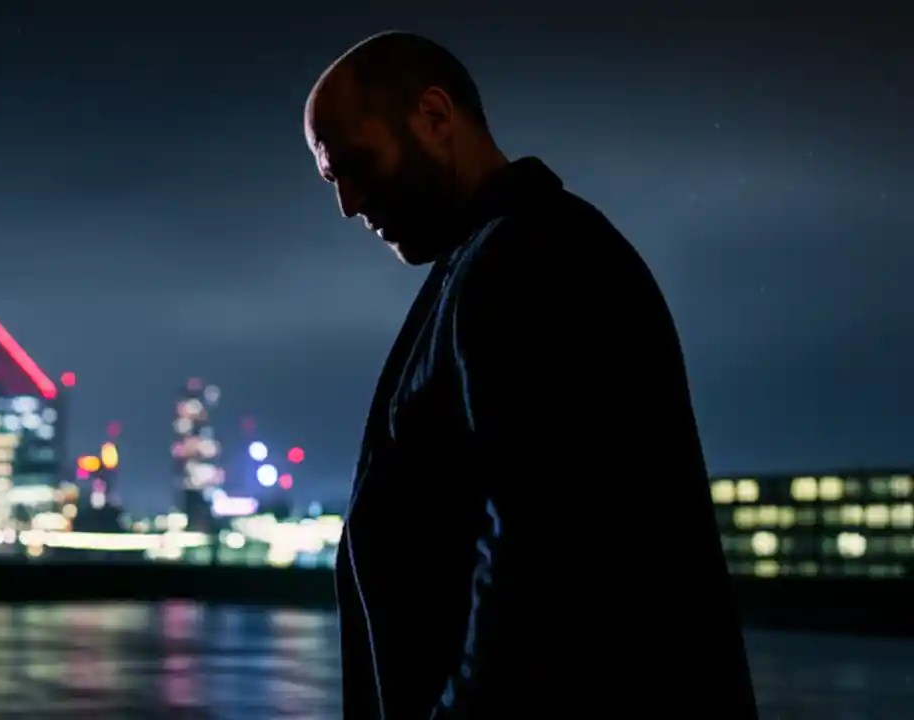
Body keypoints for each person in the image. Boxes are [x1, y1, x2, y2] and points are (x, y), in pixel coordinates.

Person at [303, 31, 760, 718]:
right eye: (333, 180)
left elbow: (543, 571)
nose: (348, 204)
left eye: (358, 166)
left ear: (434, 116)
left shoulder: (528, 260)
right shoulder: (512, 255)